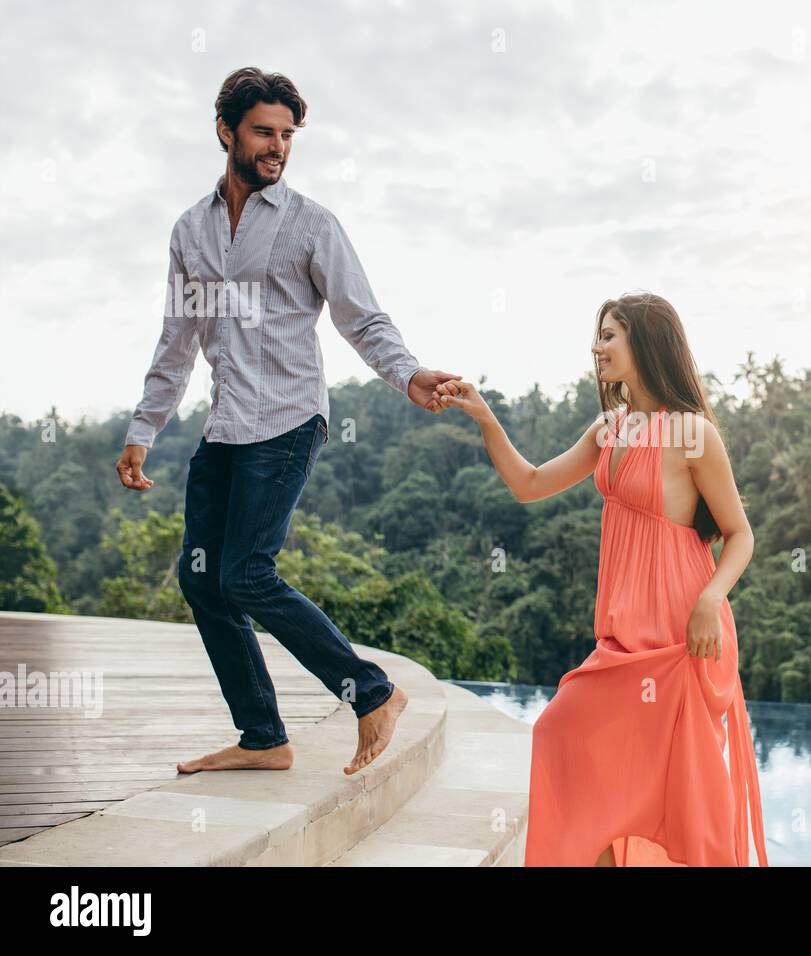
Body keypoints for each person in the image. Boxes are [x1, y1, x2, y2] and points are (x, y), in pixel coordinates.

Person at [114, 66, 461, 776]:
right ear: (226, 132)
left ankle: (371, 692)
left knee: (245, 573)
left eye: (287, 135)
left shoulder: (310, 224)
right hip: (226, 425)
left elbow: (359, 317)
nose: (277, 146)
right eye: (263, 132)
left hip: (289, 418)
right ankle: (263, 737)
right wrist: (143, 428)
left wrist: (408, 373)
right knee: (201, 578)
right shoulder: (190, 230)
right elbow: (178, 337)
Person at [436, 292, 769, 866]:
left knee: (682, 802)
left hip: (679, 636)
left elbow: (740, 534)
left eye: (610, 335)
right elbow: (531, 483)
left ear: (646, 343)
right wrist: (486, 417)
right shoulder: (608, 430)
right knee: (563, 736)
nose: (597, 347)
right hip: (621, 640)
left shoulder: (692, 434)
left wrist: (711, 600)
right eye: (599, 336)